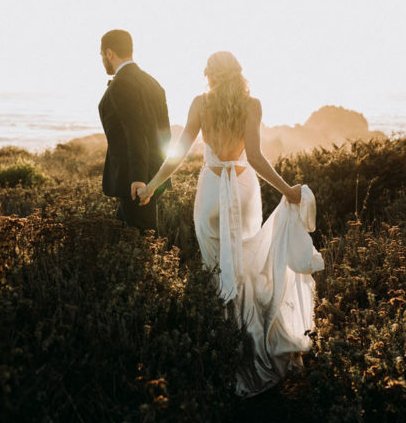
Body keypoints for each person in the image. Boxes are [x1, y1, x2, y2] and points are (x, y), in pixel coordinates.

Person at [138, 51, 324, 395]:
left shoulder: (199, 103)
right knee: (247, 269)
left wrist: (151, 186)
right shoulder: (251, 105)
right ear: (239, 73)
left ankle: (225, 348)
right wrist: (287, 191)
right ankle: (253, 348)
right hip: (242, 190)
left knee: (217, 270)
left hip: (210, 191)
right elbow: (254, 156)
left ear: (209, 73)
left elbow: (178, 152)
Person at [98, 29, 171, 232]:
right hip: (155, 174)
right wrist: (158, 174)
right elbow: (165, 134)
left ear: (109, 53)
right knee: (128, 233)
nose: (102, 60)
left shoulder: (122, 84)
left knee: (139, 238)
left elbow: (135, 132)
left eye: (102, 55)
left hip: (135, 180)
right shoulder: (152, 83)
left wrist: (139, 178)